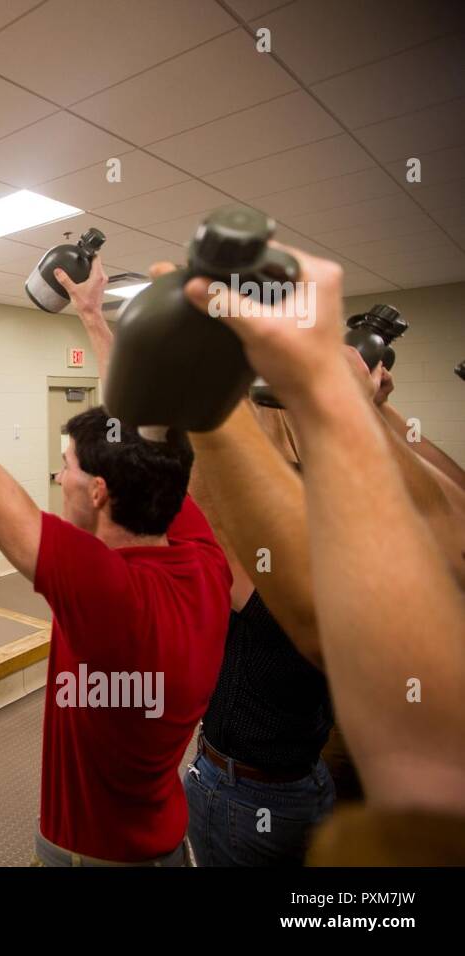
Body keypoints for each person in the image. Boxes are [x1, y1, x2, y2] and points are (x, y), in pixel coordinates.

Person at [0, 234, 230, 865]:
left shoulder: (108, 591)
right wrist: (91, 315)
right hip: (168, 842)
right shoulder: (198, 553)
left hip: (90, 857)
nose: (61, 479)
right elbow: (144, 433)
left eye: (67, 467)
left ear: (101, 492)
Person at [174, 244, 465, 864]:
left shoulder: (301, 571)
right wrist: (350, 404)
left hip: (269, 787)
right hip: (296, 781)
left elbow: (225, 484)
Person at [60, 262, 335, 866]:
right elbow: (144, 445)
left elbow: (146, 451)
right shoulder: (343, 571)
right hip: (310, 785)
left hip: (243, 799)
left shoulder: (256, 581)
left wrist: (200, 347)